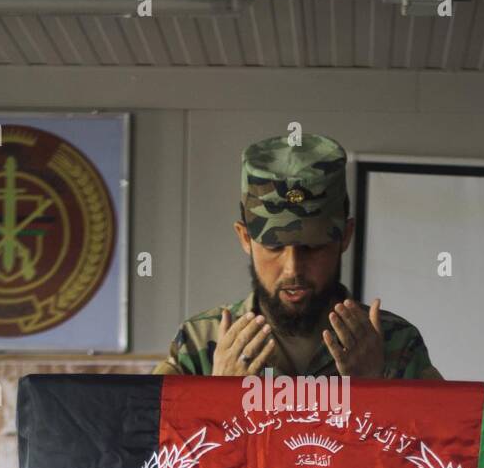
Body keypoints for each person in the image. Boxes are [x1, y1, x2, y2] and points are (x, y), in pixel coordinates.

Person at [153, 133, 442, 380]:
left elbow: (442, 443)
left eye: (312, 247)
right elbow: (143, 442)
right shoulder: (201, 343)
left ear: (345, 236)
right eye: (274, 248)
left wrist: (376, 393)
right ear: (245, 238)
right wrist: (216, 399)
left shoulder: (394, 344)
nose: (293, 267)